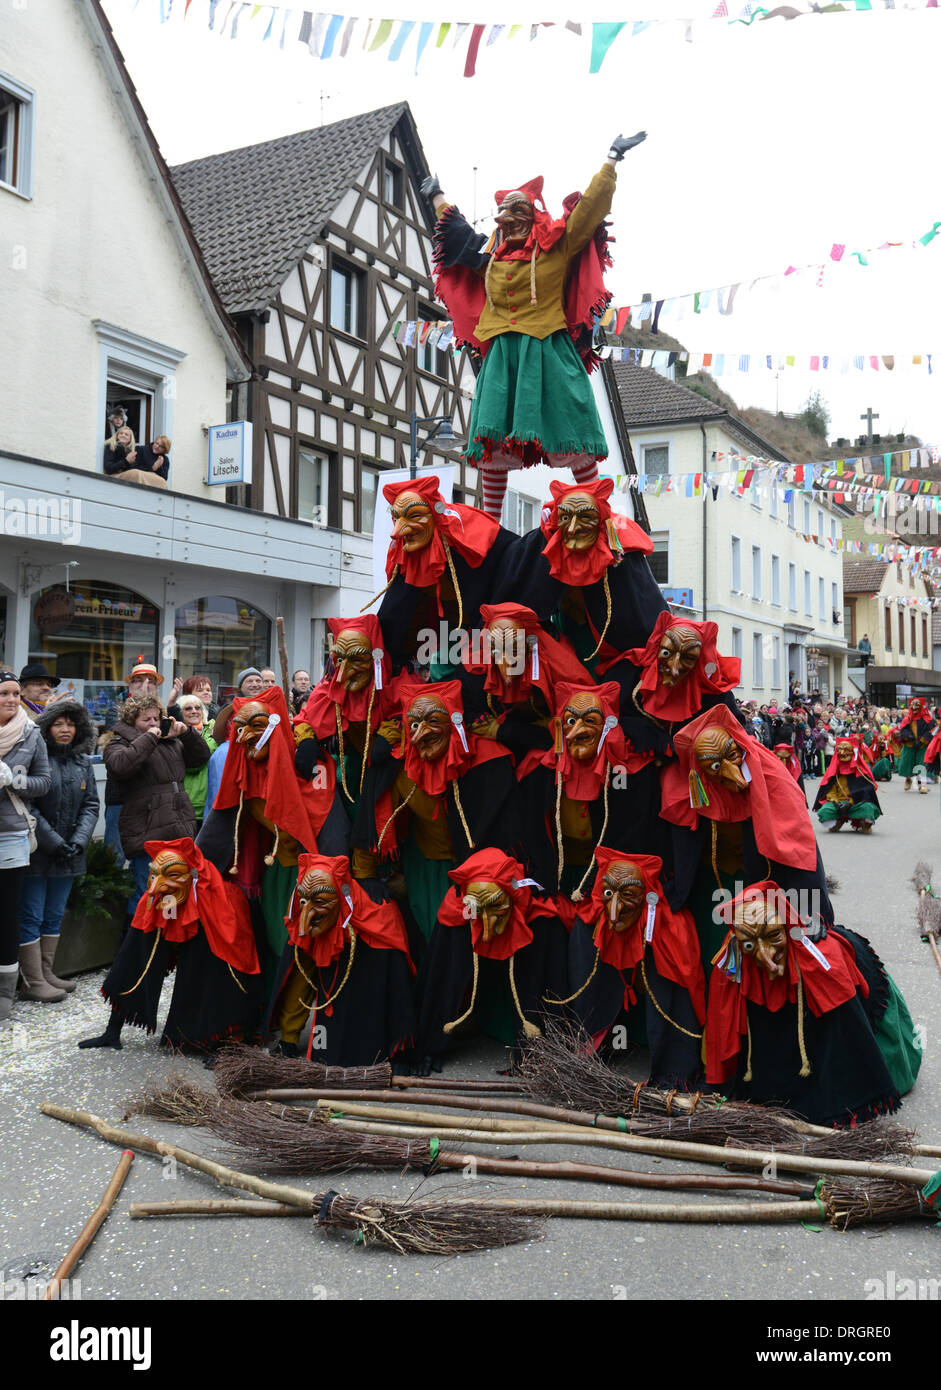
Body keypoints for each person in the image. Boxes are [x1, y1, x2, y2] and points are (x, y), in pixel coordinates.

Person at [423, 131, 647, 519]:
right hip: (504, 360)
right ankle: (490, 527)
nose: (506, 224)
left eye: (515, 215)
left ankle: (598, 515)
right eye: (503, 218)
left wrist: (611, 160)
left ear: (532, 216)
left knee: (571, 425)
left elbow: (590, 211)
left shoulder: (555, 247)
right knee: (493, 438)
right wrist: (436, 195)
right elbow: (454, 231)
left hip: (549, 351)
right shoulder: (487, 254)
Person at [103, 692, 211, 915]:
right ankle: (138, 943)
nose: (153, 723)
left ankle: (166, 944)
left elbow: (200, 757)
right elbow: (121, 766)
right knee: (148, 891)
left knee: (175, 891)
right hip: (146, 829)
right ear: (132, 721)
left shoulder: (171, 742)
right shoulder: (118, 743)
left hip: (178, 824)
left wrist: (188, 733)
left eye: (156, 718)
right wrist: (150, 737)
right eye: (146, 719)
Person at [20, 701, 100, 997]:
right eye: (59, 724)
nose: (65, 730)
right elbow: (28, 805)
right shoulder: (35, 758)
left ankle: (46, 971)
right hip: (39, 852)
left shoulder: (82, 762)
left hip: (70, 853)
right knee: (31, 914)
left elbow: (91, 804)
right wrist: (53, 841)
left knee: (53, 914)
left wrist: (79, 840)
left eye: (70, 724)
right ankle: (31, 980)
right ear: (47, 728)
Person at [0, 671, 52, 1021]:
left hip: (11, 834)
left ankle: (4, 990)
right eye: (4, 693)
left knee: (6, 913)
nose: (11, 699)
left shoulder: (31, 733)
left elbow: (45, 782)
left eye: (16, 693)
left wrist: (13, 779)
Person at [177, 694, 218, 829]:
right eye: (188, 708)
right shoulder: (175, 735)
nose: (194, 711)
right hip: (186, 802)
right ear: (179, 713)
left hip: (211, 801)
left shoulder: (215, 731)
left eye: (197, 707)